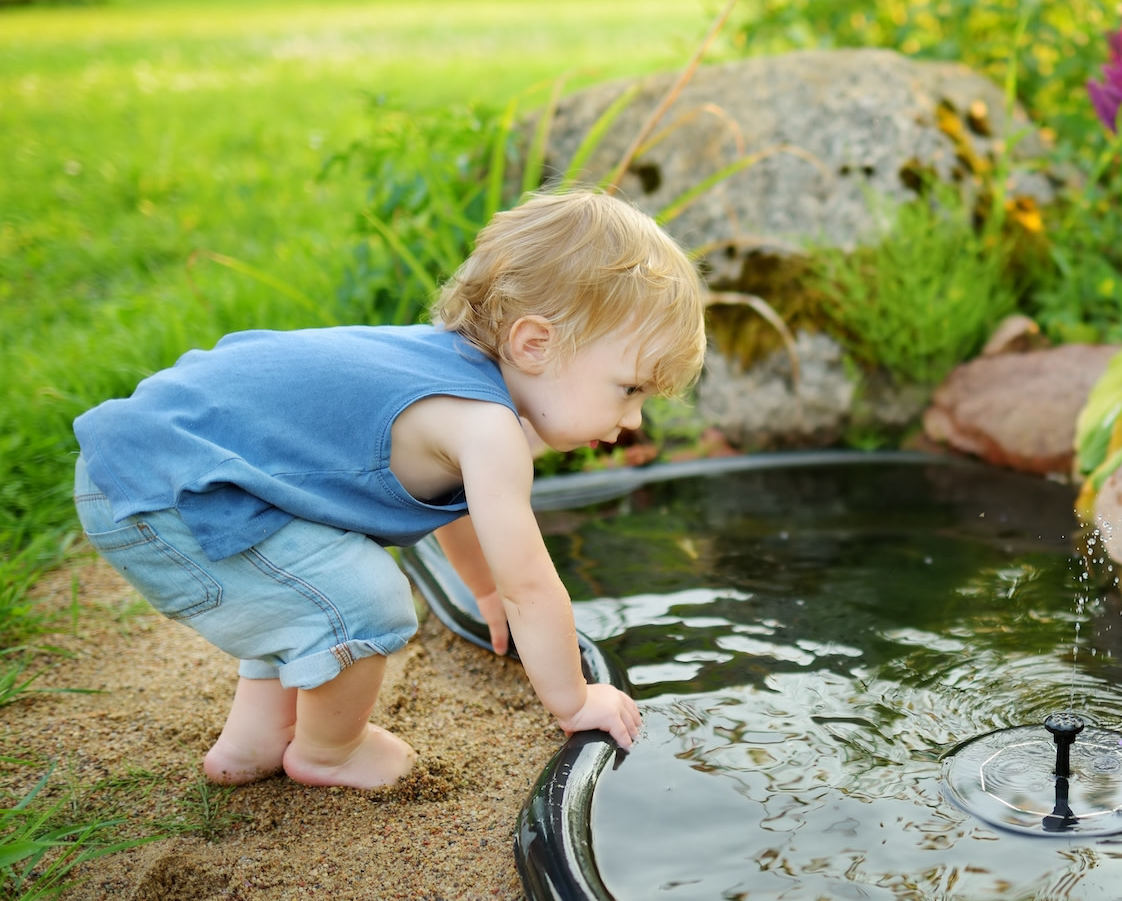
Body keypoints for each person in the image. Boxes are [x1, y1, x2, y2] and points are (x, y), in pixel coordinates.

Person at [72, 191, 704, 789]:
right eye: (629, 389)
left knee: (302, 580)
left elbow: (458, 512)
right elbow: (533, 586)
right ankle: (330, 752)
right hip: (164, 490)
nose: (634, 421)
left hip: (164, 466)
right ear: (535, 344)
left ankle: (254, 743)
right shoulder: (488, 427)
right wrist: (575, 697)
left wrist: (481, 588)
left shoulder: (449, 377)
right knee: (363, 599)